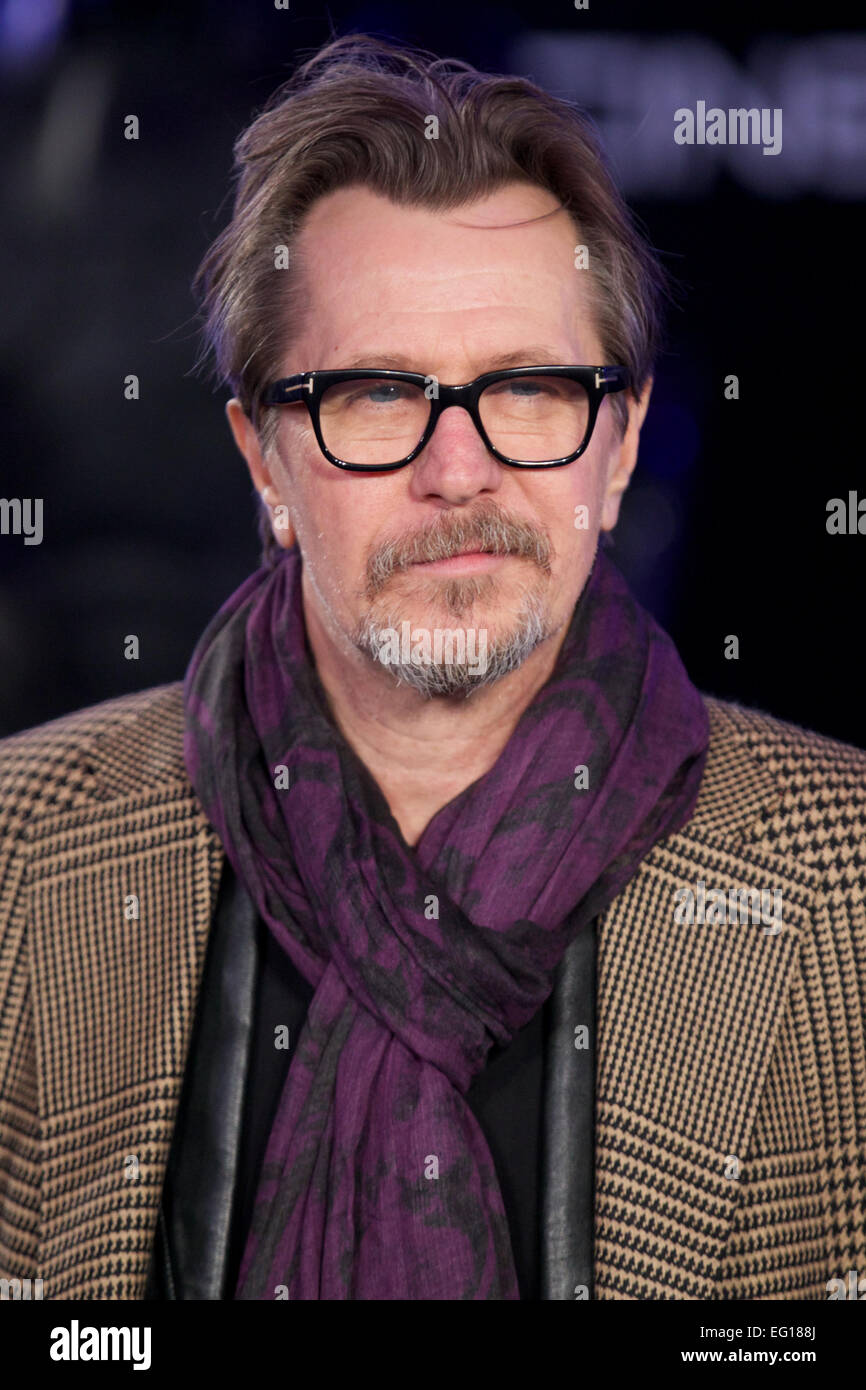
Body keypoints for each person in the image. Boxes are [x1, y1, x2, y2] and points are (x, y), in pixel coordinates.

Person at [1, 33, 864, 1302]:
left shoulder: (847, 888)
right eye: (374, 394)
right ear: (263, 460)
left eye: (524, 390)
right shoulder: (18, 858)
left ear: (618, 446)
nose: (455, 471)